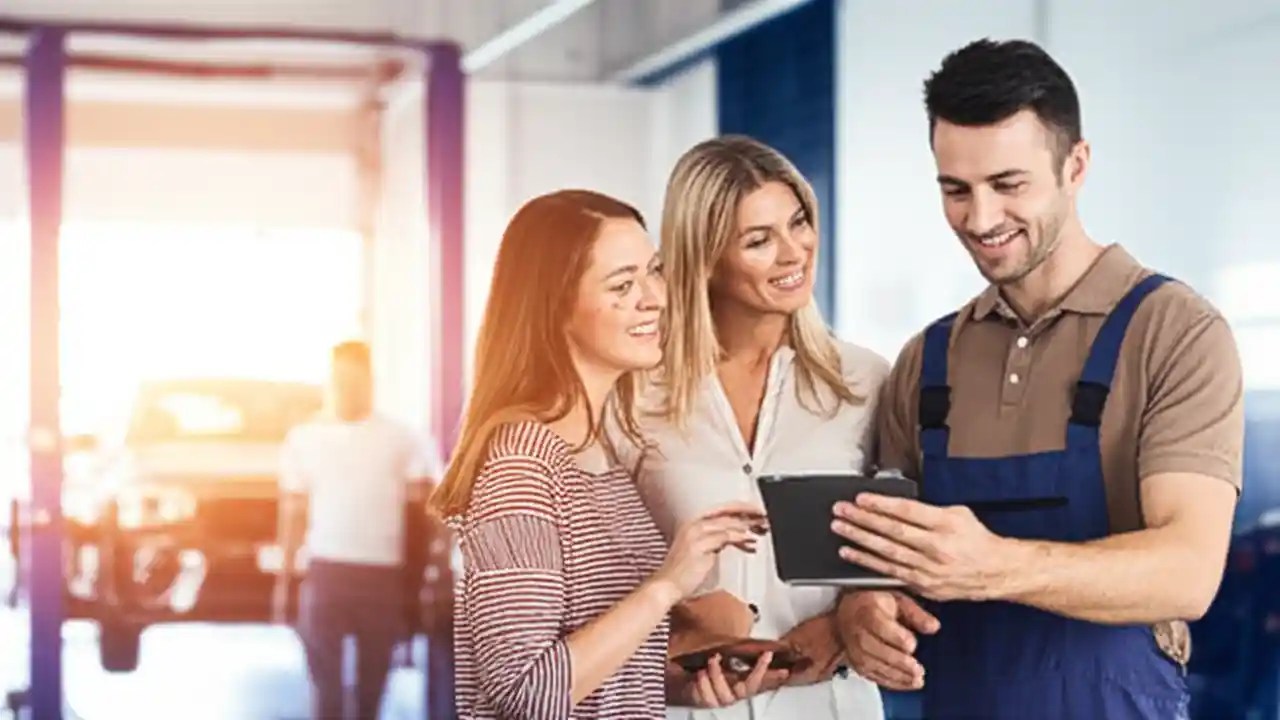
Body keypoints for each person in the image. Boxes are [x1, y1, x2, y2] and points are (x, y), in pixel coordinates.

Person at [830, 38, 1244, 719]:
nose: (981, 219)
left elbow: (1188, 572)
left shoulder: (1176, 333)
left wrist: (991, 567)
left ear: (1075, 166)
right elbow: (879, 558)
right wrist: (863, 609)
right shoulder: (926, 360)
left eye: (1008, 185)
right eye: (956, 190)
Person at [431, 189, 766, 720]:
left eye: (653, 272)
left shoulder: (599, 454)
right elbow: (525, 692)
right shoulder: (522, 464)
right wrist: (666, 584)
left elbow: (593, 665)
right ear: (556, 308)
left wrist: (682, 683)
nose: (654, 299)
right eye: (622, 285)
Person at [612, 136, 888, 718]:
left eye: (798, 223)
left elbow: (899, 553)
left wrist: (846, 619)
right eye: (759, 240)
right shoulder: (635, 393)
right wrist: (672, 660)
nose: (795, 253)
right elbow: (599, 580)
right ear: (705, 259)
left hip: (831, 704)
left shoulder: (864, 382)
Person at [274, 340, 443, 720]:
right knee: (326, 690)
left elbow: (425, 513)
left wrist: (427, 577)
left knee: (372, 688)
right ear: (330, 382)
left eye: (357, 380)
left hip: (382, 576)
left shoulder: (403, 438)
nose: (348, 389)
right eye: (341, 380)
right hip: (326, 571)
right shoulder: (304, 439)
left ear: (371, 381)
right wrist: (284, 580)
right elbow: (293, 514)